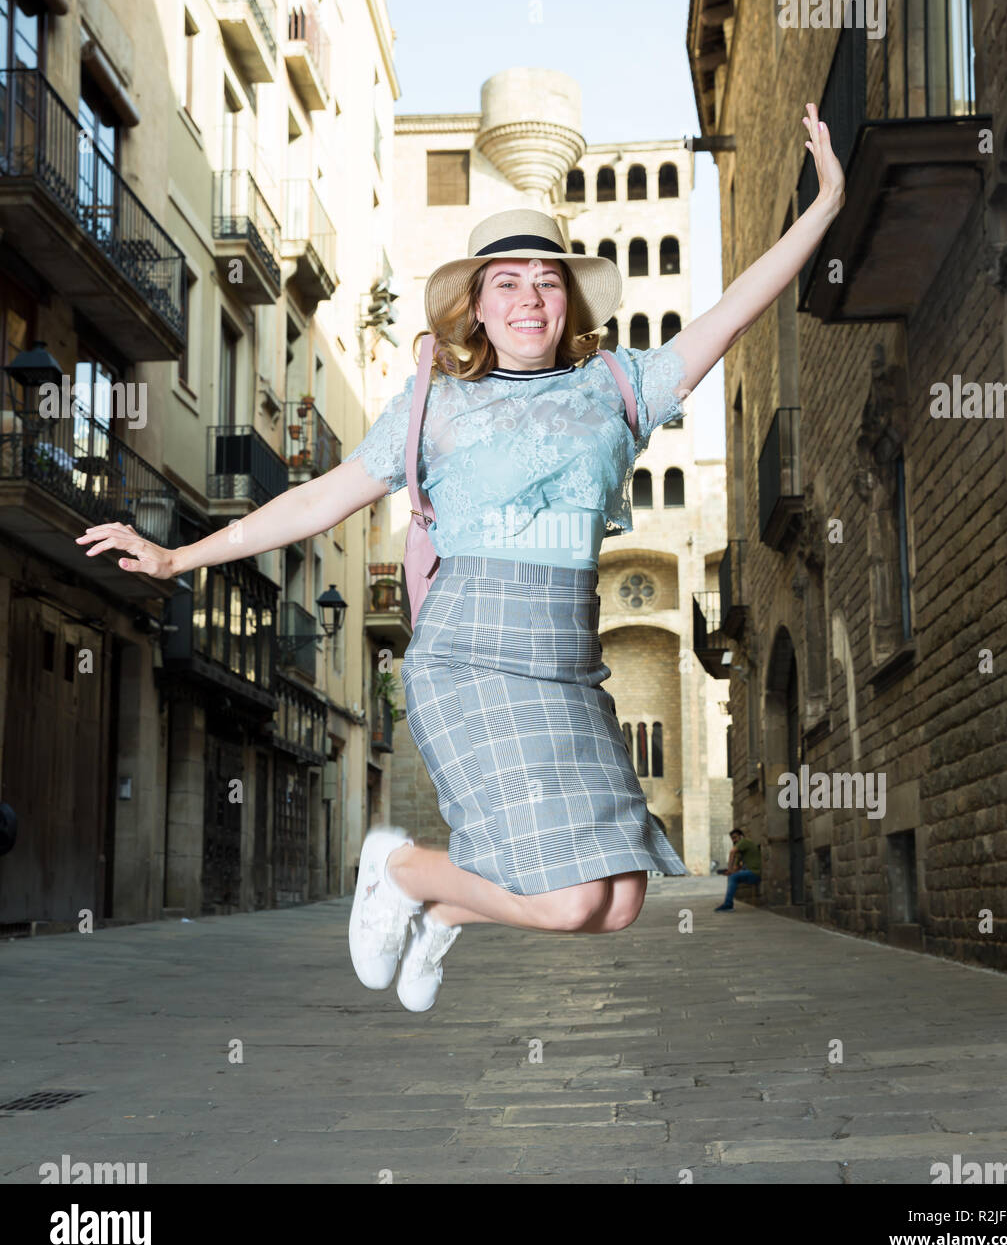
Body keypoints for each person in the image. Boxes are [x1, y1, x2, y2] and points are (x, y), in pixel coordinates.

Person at [76, 105, 843, 1011]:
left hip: (570, 670)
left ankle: (441, 908)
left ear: (570, 301)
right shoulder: (434, 404)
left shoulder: (620, 388)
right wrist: (180, 559)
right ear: (475, 305)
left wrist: (825, 206)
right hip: (470, 656)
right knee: (566, 900)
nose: (529, 299)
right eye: (505, 283)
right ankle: (401, 871)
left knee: (619, 900)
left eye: (547, 282)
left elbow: (736, 310)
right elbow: (319, 499)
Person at [715, 827, 762, 911]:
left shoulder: (744, 842)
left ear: (741, 836)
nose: (734, 840)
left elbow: (732, 852)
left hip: (754, 873)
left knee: (733, 877)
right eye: (732, 839)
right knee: (732, 876)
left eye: (735, 837)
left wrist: (730, 869)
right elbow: (736, 868)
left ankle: (728, 904)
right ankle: (728, 903)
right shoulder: (740, 852)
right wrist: (729, 872)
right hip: (748, 873)